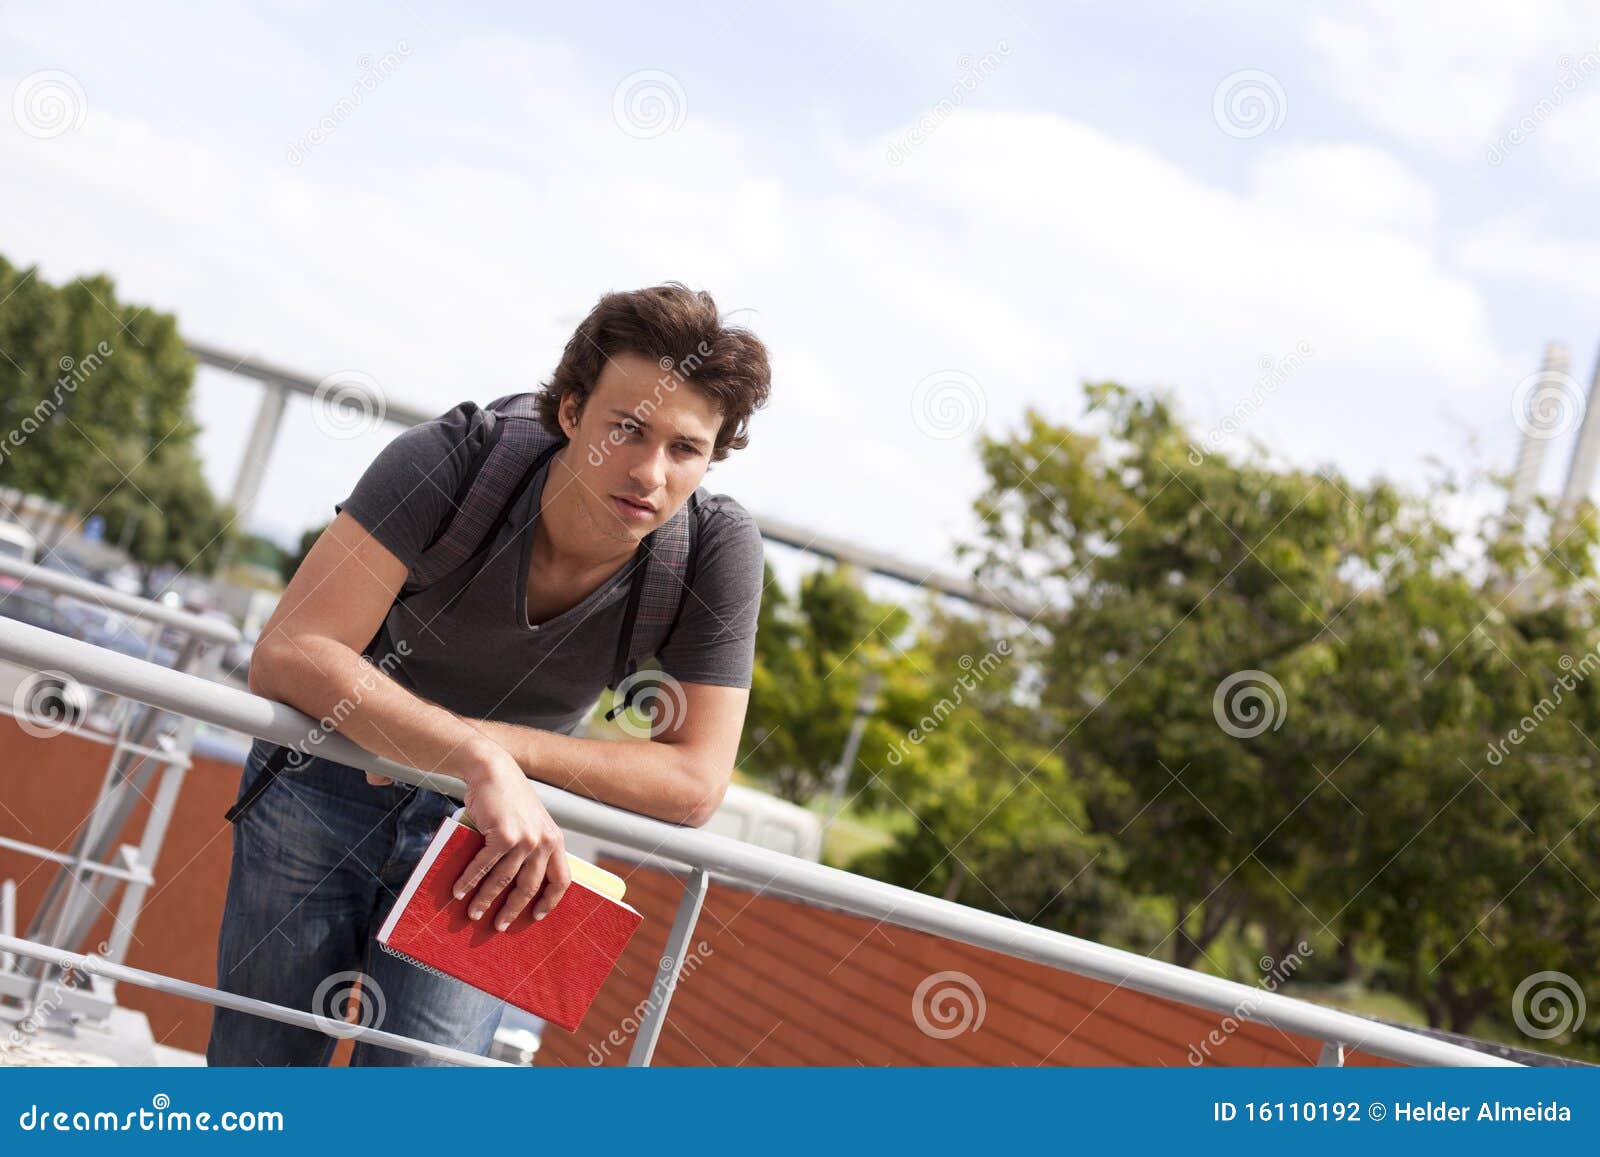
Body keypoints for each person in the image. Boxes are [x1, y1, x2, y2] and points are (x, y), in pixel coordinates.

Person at [205, 283, 772, 1065]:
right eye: (628, 429)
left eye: (685, 449)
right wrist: (477, 757)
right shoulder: (456, 458)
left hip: (494, 837)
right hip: (326, 776)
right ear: (571, 411)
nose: (650, 472)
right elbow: (292, 650)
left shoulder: (714, 551)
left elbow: (696, 782)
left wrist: (495, 757)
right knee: (257, 1068)